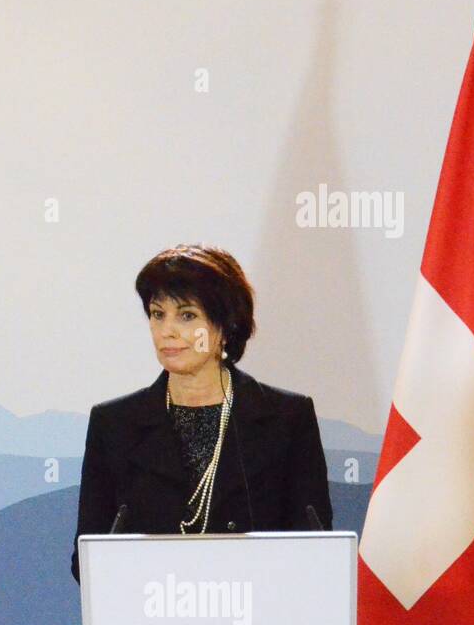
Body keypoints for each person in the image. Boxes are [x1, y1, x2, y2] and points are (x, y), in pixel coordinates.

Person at [72, 244, 332, 582]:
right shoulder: (115, 424)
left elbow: (312, 546)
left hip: (256, 617)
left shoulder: (286, 418)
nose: (167, 331)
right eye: (157, 313)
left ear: (225, 326)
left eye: (187, 315)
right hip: (153, 619)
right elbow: (88, 559)